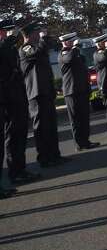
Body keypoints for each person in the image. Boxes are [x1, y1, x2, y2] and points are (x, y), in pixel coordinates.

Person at [19, 20, 66, 168]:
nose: (39, 35)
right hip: (36, 93)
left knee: (51, 125)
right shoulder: (25, 48)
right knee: (41, 127)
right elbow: (37, 52)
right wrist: (44, 39)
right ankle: (44, 157)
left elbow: (46, 49)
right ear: (30, 35)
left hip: (46, 90)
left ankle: (55, 155)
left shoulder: (39, 46)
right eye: (36, 33)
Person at [1, 16, 37, 186]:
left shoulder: (8, 47)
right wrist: (9, 40)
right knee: (13, 136)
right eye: (9, 30)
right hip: (9, 99)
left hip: (17, 97)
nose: (13, 33)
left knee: (20, 135)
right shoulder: (4, 47)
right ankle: (15, 172)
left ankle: (20, 169)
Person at [59, 33, 100, 150]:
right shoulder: (64, 53)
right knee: (76, 119)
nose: (74, 44)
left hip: (82, 90)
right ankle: (79, 143)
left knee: (84, 117)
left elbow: (82, 64)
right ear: (66, 42)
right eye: (72, 42)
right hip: (72, 91)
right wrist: (75, 49)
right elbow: (68, 59)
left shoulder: (75, 53)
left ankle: (86, 141)